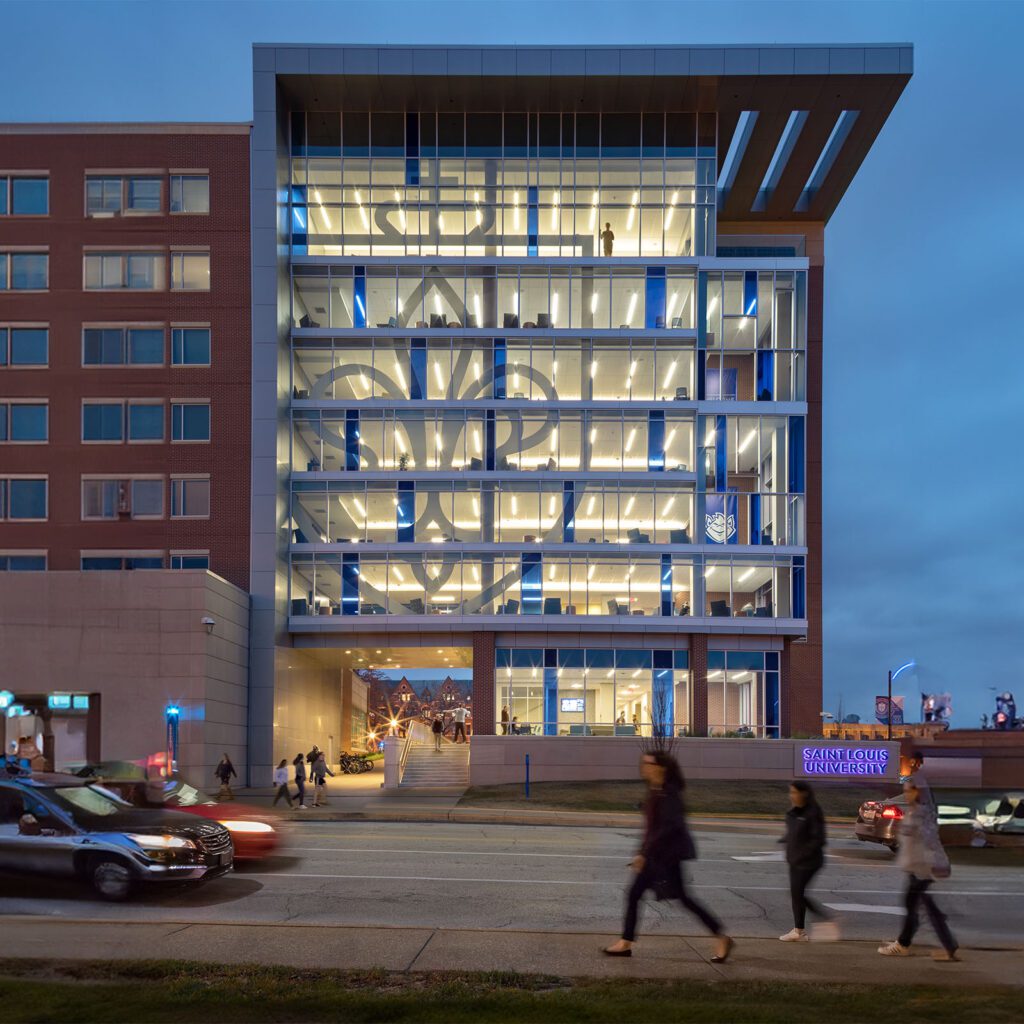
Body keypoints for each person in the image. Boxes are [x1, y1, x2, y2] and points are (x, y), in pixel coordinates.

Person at [604, 751, 733, 963]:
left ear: (661, 767)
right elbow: (650, 829)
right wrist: (641, 852)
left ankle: (721, 936)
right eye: (643, 762)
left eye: (649, 763)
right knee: (635, 894)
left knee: (683, 898)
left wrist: (645, 854)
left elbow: (667, 828)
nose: (644, 766)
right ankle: (626, 942)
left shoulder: (669, 793)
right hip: (655, 855)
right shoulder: (655, 791)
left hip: (667, 856)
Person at [878, 775, 959, 961]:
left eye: (909, 790)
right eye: (904, 790)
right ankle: (912, 943)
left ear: (918, 791)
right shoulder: (915, 812)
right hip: (915, 869)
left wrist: (940, 864)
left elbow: (932, 843)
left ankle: (904, 944)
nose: (906, 794)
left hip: (922, 870)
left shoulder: (922, 815)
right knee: (920, 907)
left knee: (918, 907)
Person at [779, 780, 838, 942]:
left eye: (794, 792)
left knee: (798, 894)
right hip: (795, 860)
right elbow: (793, 832)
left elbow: (818, 839)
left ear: (804, 793)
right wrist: (785, 841)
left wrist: (802, 853)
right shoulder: (794, 812)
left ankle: (823, 920)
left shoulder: (813, 812)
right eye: (790, 792)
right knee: (796, 894)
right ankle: (799, 931)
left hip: (809, 861)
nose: (791, 796)